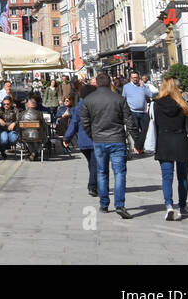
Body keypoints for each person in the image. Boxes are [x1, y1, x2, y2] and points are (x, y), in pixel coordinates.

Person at [82, 73, 141, 218]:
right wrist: (138, 141)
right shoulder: (119, 99)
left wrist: (93, 135)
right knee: (119, 172)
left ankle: (104, 203)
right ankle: (120, 204)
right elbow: (130, 121)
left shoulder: (89, 100)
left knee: (102, 172)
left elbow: (85, 122)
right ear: (110, 83)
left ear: (97, 84)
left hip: (99, 140)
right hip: (116, 139)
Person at [148, 76, 188, 220]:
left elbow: (153, 126)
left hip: (164, 141)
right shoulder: (183, 104)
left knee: (166, 177)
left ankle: (169, 206)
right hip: (180, 141)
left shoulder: (156, 104)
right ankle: (182, 207)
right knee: (183, 178)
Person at [65, 83, 99, 195]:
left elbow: (74, 123)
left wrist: (67, 138)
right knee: (95, 163)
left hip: (83, 140)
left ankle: (96, 184)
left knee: (91, 163)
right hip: (95, 138)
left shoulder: (80, 105)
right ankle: (92, 185)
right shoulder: (96, 104)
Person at [121, 70, 157, 148]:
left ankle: (142, 145)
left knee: (145, 130)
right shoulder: (126, 87)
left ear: (139, 77)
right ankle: (138, 146)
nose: (135, 79)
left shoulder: (144, 86)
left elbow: (150, 95)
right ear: (130, 78)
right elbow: (123, 99)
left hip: (143, 112)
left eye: (136, 77)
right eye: (133, 78)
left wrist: (143, 86)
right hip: (132, 112)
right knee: (135, 131)